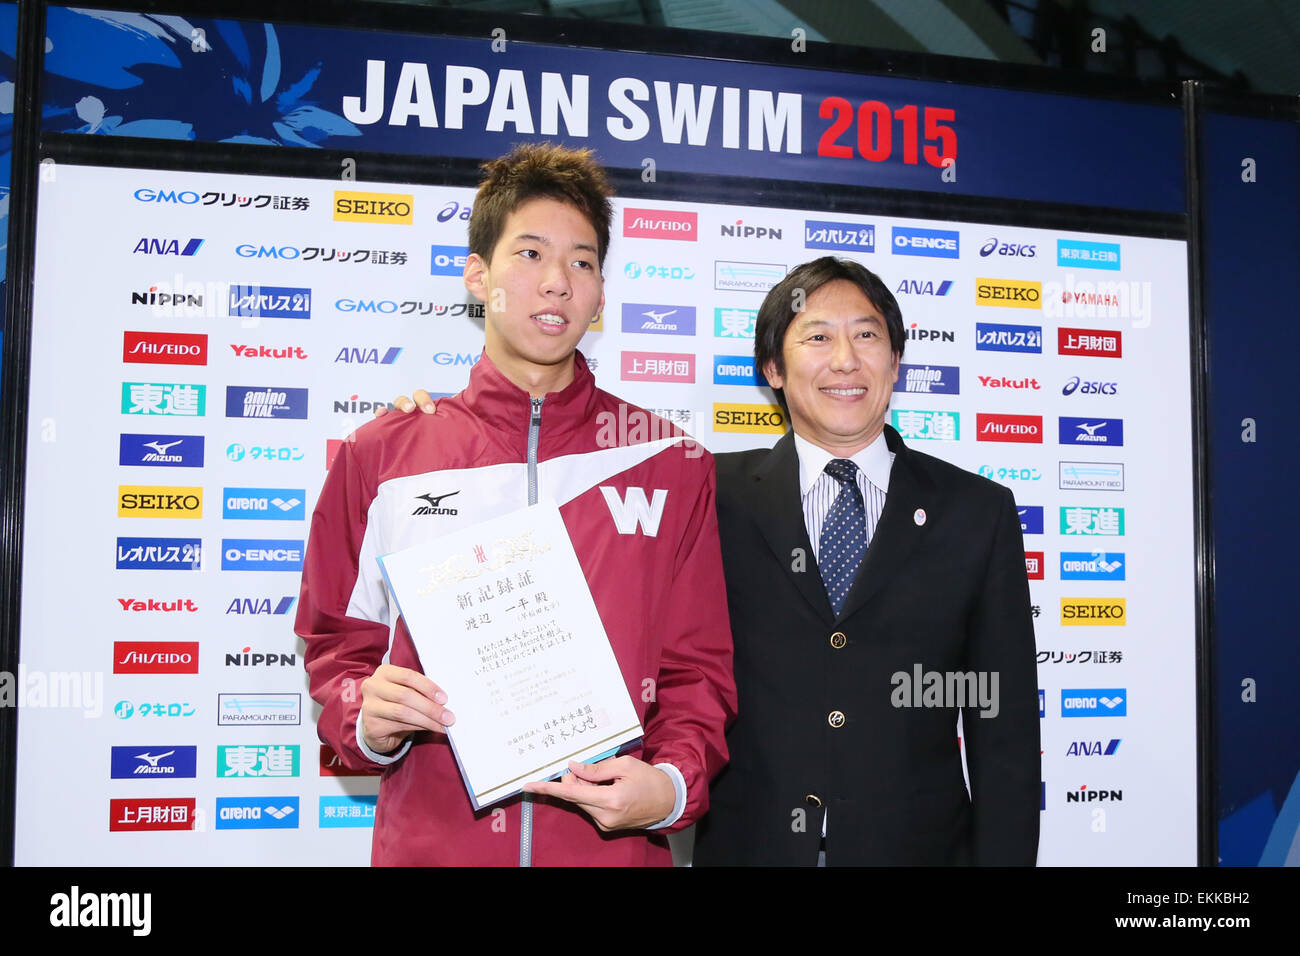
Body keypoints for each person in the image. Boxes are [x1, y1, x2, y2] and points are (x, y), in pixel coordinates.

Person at [391, 256, 1039, 866]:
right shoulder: (700, 489)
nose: (845, 359)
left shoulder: (975, 512)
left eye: (867, 336)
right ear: (773, 369)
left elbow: (1002, 730)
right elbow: (558, 511)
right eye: (817, 337)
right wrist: (444, 429)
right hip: (746, 849)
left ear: (895, 362)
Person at [297, 143, 736, 866]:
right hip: (432, 850)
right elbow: (338, 648)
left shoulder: (669, 463)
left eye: (582, 262)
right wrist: (366, 719)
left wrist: (668, 785)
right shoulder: (381, 454)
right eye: (530, 254)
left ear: (601, 293)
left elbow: (697, 671)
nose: (557, 282)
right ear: (479, 276)